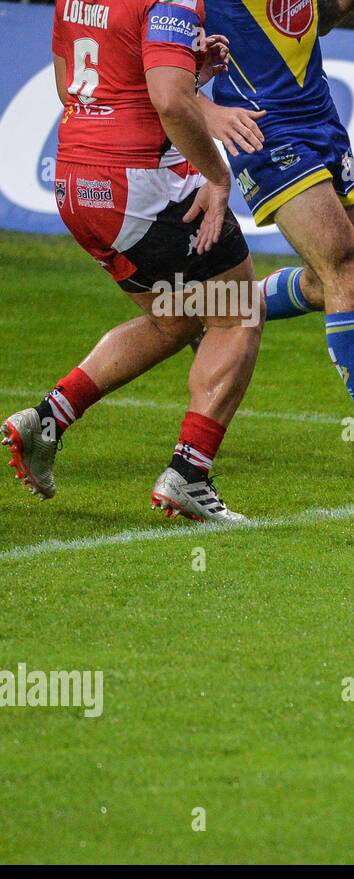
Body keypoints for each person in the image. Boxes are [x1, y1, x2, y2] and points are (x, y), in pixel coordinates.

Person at [4, 0, 263, 522]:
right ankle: (188, 474)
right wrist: (216, 175)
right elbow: (168, 101)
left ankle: (49, 419)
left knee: (175, 316)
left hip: (77, 182)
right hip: (140, 183)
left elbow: (76, 88)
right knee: (238, 312)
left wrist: (190, 73)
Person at [195, 0, 354, 473]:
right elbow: (146, 65)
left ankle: (223, 313)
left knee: (328, 284)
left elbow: (310, 23)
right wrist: (209, 111)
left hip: (320, 117)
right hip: (263, 130)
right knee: (347, 271)